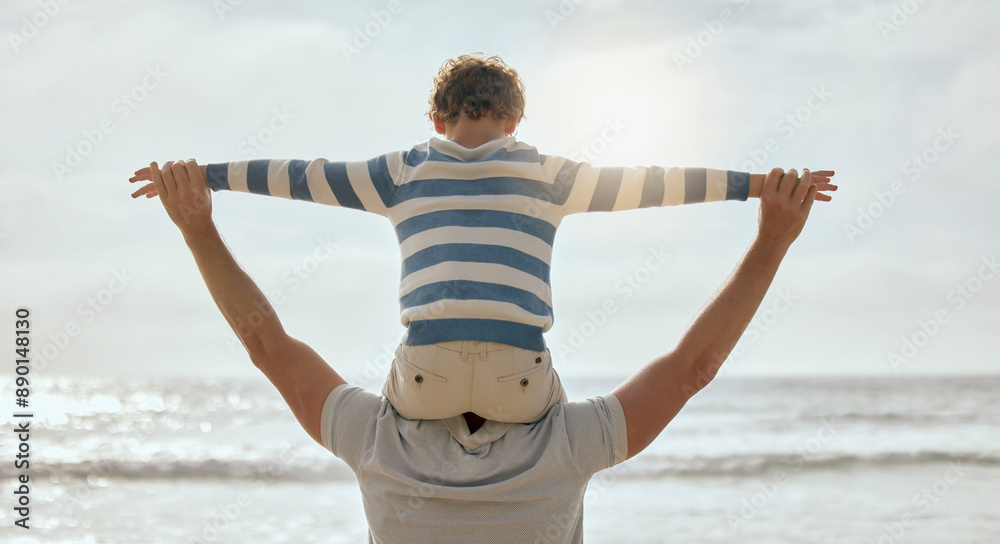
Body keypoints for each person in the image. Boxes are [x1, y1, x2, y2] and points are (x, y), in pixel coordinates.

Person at [129, 151, 831, 541]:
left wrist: (197, 227)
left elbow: (265, 343)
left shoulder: (377, 443)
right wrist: (771, 239)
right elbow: (693, 370)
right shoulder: (566, 446)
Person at [128, 54, 836, 427]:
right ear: (517, 117)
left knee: (393, 409)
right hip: (520, 385)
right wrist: (755, 186)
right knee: (558, 428)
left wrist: (205, 176)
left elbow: (295, 175)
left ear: (436, 119)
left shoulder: (398, 172)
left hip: (424, 380)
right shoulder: (550, 175)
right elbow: (660, 183)